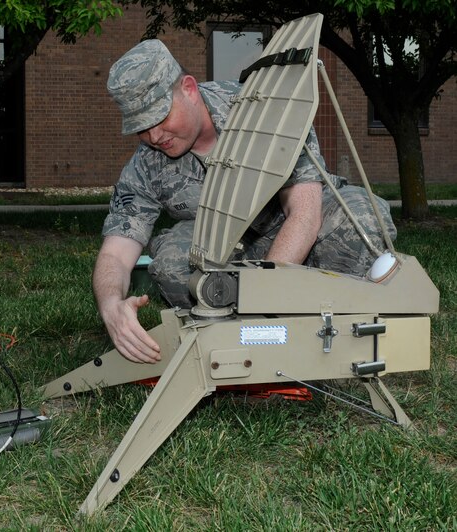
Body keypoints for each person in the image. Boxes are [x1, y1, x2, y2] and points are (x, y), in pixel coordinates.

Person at [95, 39, 396, 364]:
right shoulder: (146, 163)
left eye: (160, 117)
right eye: (142, 128)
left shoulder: (266, 112)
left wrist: (259, 304)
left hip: (298, 228)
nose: (154, 137)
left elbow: (305, 214)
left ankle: (334, 335)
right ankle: (227, 342)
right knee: (171, 259)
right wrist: (111, 306)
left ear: (189, 89)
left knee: (359, 217)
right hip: (232, 246)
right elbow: (116, 252)